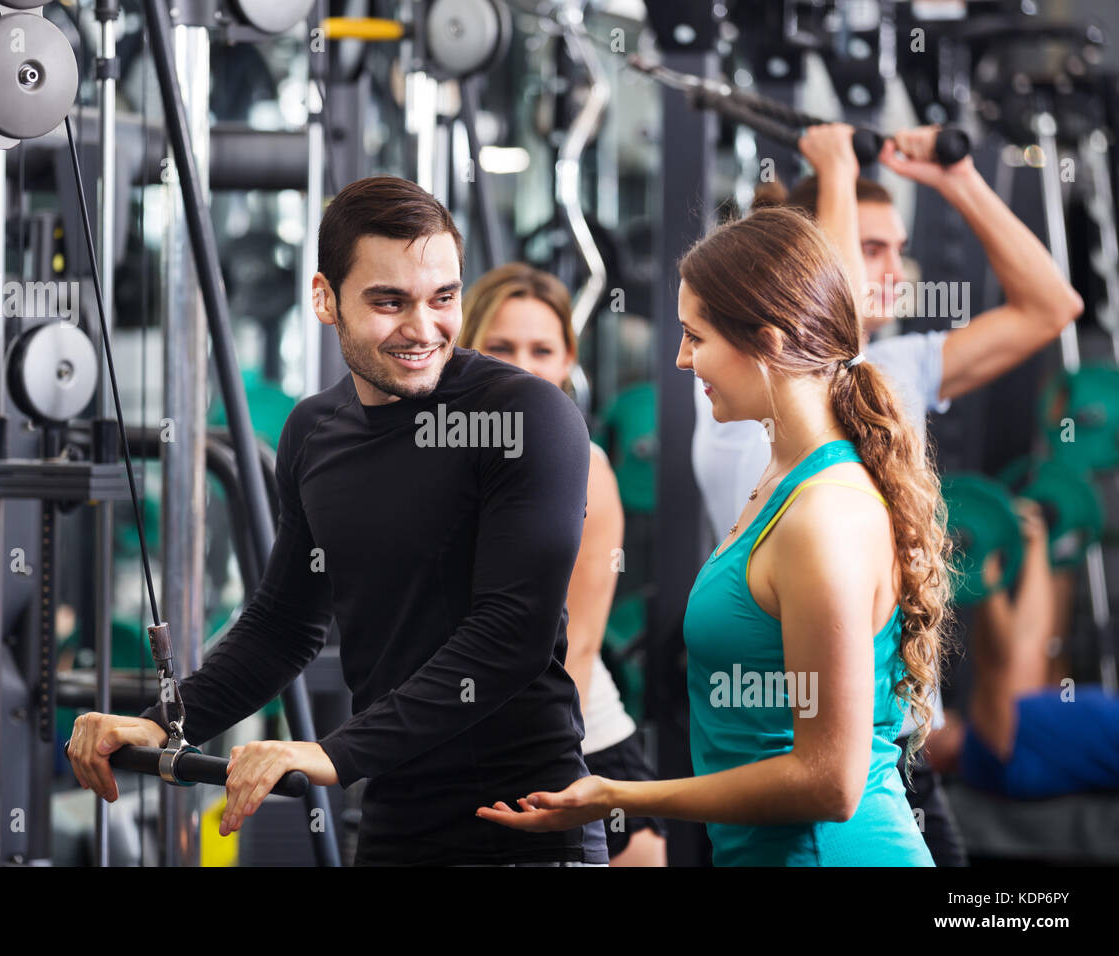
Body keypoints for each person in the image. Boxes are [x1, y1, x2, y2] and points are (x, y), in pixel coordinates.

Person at [68, 176, 609, 866]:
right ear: (325, 298)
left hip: (524, 826)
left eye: (443, 298)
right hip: (393, 821)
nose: (423, 328)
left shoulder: (527, 415)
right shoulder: (314, 431)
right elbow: (282, 626)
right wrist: (159, 724)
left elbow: (510, 635)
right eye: (389, 302)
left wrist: (332, 752)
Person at [478, 205, 949, 866]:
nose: (679, 358)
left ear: (770, 341)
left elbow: (832, 783)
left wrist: (623, 794)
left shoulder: (824, 517)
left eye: (696, 336)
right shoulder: (780, 480)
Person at [691, 124, 1083, 865]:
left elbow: (1050, 306)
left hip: (890, 760)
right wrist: (835, 170)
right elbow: (817, 333)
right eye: (871, 249)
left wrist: (954, 176)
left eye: (899, 249)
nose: (894, 271)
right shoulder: (746, 401)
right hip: (798, 763)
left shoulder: (893, 367)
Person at [459, 262, 668, 866]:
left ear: (566, 360)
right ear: (467, 348)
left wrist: (534, 769)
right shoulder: (438, 462)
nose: (523, 365)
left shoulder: (590, 469)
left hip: (572, 742)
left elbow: (574, 652)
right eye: (501, 347)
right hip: (460, 740)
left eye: (541, 349)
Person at [925, 500, 1119, 798]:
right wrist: (985, 567)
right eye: (918, 743)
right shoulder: (988, 757)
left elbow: (1037, 648)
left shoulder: (1019, 733)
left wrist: (1040, 546)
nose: (924, 725)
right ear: (935, 763)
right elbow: (997, 663)